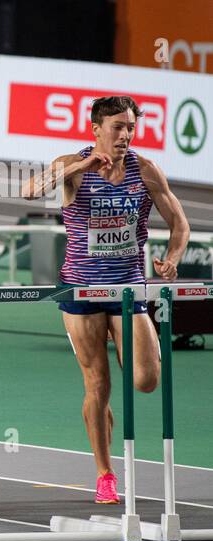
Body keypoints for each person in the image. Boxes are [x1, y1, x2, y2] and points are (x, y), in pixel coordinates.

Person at [23, 95, 188, 503]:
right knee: (97, 384)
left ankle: (123, 339)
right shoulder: (70, 165)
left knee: (146, 380)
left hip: (129, 287)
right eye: (117, 127)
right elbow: (29, 192)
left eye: (131, 127)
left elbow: (179, 223)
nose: (125, 135)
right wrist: (80, 167)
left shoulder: (145, 171)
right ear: (95, 128)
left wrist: (171, 258)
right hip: (81, 289)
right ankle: (105, 474)